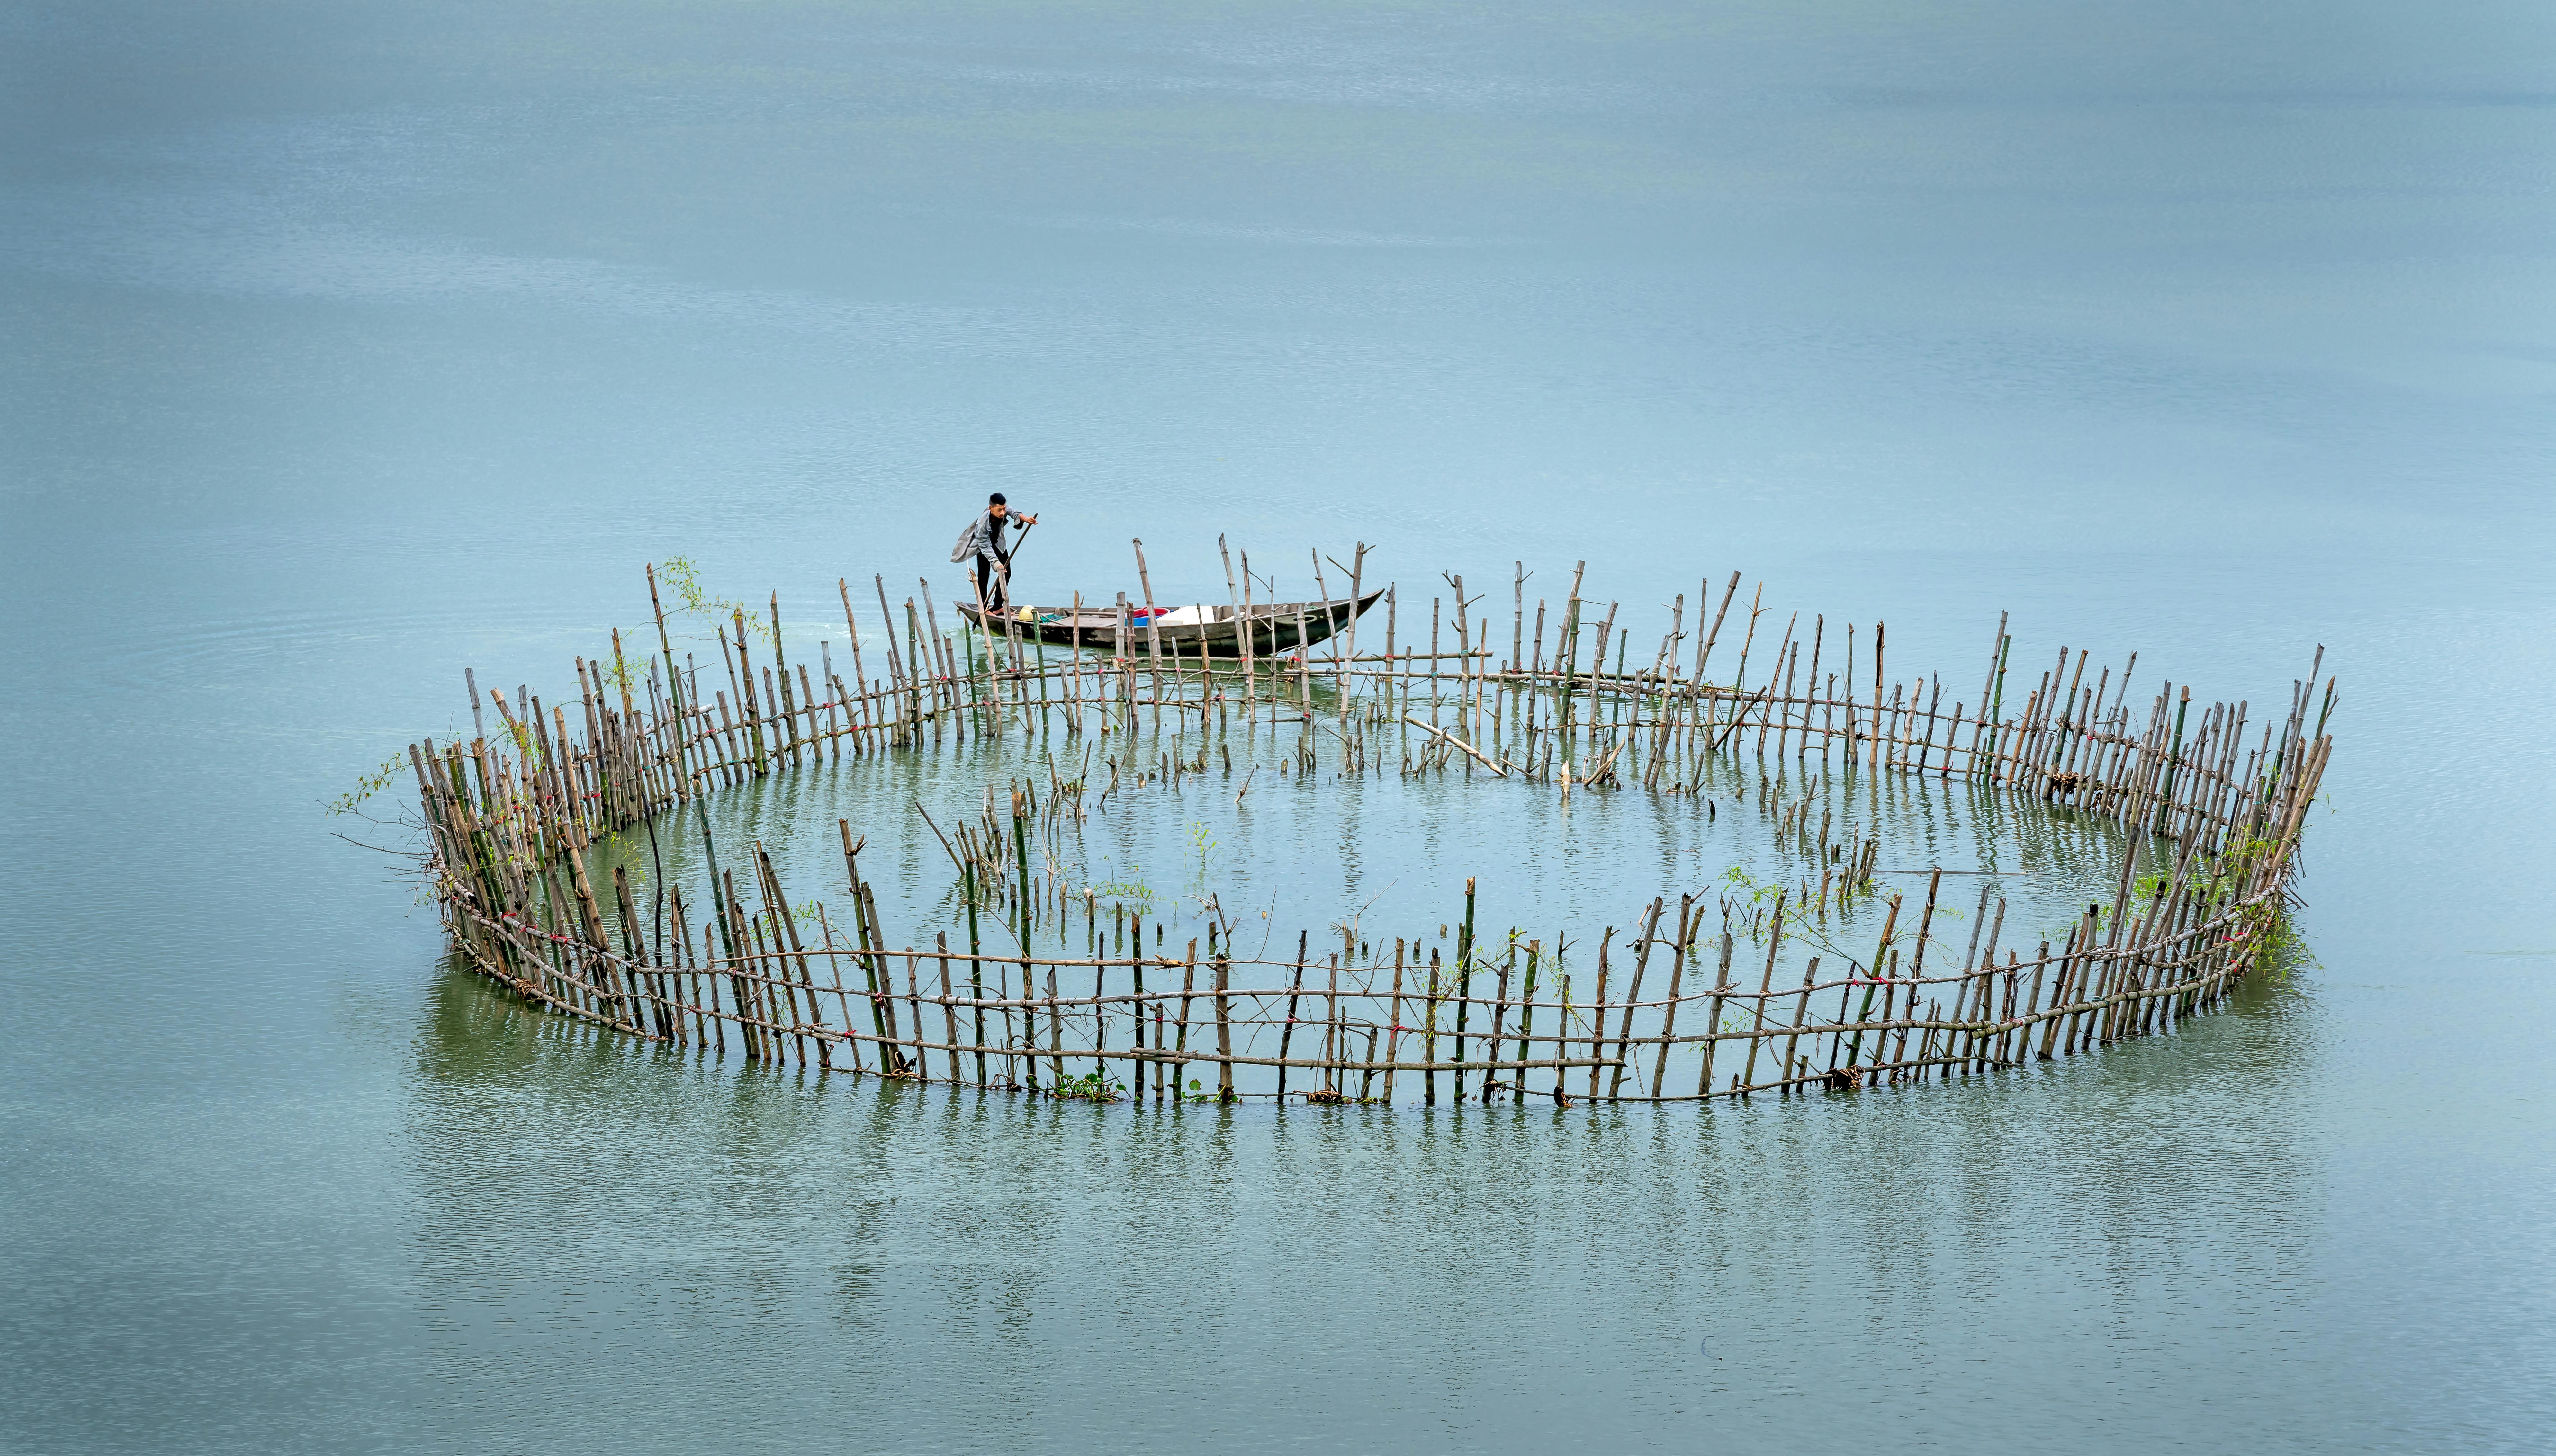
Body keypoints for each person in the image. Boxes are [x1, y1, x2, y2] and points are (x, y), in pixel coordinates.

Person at [951, 492, 1036, 612]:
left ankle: (997, 607)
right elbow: (985, 547)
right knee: (984, 577)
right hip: (983, 548)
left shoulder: (1004, 509)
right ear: (991, 508)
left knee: (1007, 574)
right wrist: (996, 564)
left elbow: (1014, 513)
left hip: (998, 545)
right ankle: (984, 609)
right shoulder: (982, 524)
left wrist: (1026, 519)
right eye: (999, 510)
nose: (1002, 513)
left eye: (1004, 509)